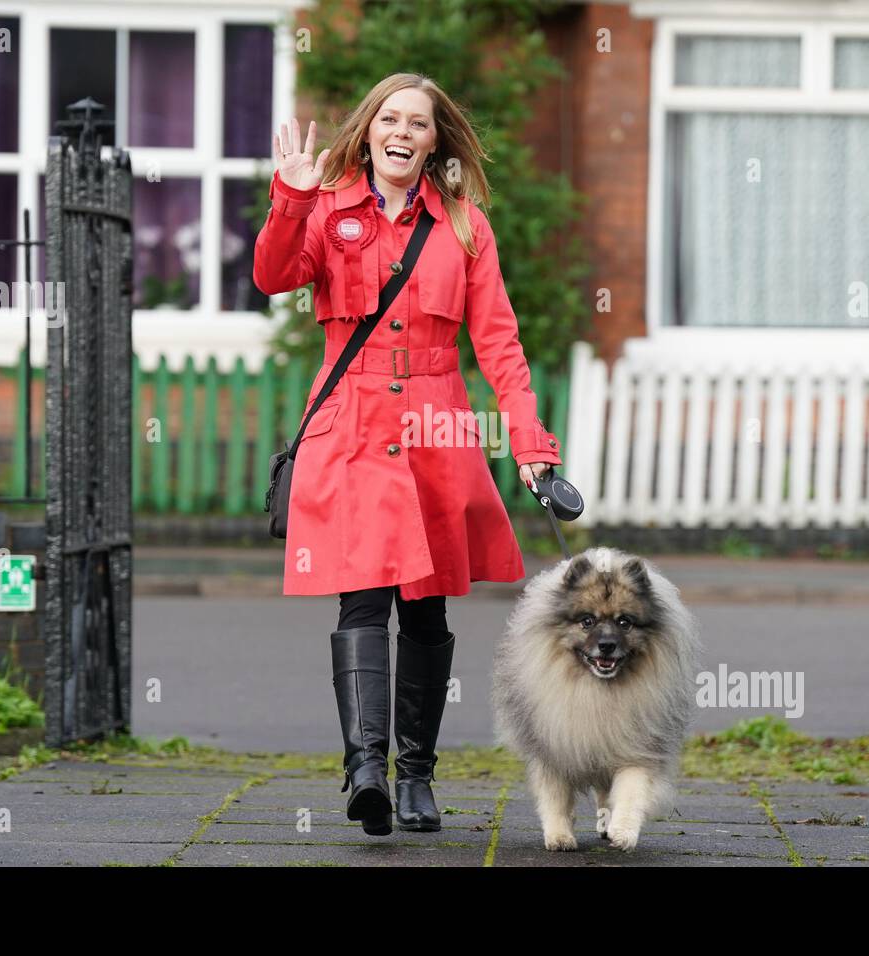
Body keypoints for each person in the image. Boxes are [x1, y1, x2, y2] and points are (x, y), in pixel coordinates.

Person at [252, 72, 563, 836]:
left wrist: (530, 443)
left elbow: (499, 343)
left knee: (426, 607)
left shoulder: (464, 226)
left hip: (436, 430)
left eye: (418, 123)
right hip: (350, 425)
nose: (402, 132)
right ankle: (366, 771)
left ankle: (416, 774)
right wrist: (290, 197)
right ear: (367, 131)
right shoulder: (326, 212)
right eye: (389, 118)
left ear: (435, 140)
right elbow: (272, 274)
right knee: (360, 598)